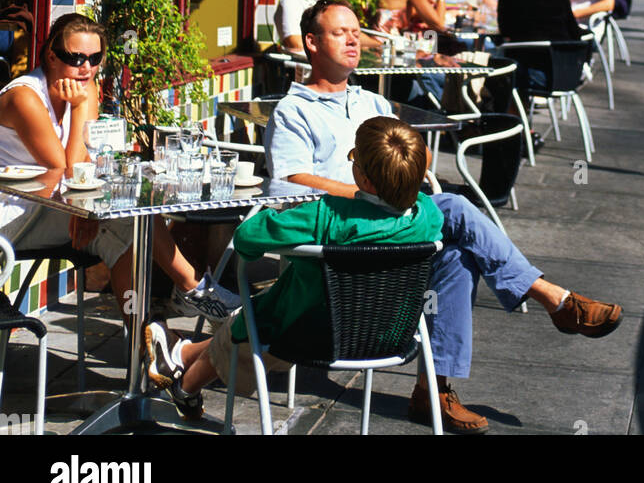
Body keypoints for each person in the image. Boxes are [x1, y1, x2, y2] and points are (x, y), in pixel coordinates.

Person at [264, 0, 623, 433]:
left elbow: (411, 159)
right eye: (340, 33)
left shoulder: (373, 103)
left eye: (357, 31)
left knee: (458, 257)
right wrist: (366, 194)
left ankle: (432, 391)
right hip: (339, 246)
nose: (354, 40)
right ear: (311, 43)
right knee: (454, 206)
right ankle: (551, 297)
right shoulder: (293, 110)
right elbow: (289, 185)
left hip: (392, 235)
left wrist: (407, 171)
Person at [142, 115, 442, 419]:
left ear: (364, 179)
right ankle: (179, 359)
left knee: (251, 324)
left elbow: (247, 238)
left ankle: (184, 387)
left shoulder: (328, 215)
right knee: (254, 321)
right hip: (389, 334)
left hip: (309, 333)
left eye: (355, 158)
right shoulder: (428, 214)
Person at [0, 13, 240, 322]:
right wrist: (77, 110)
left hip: (47, 210)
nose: (86, 67)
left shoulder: (84, 87)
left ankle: (147, 339)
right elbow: (64, 166)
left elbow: (83, 166)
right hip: (11, 219)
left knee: (129, 226)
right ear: (51, 55)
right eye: (75, 57)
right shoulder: (25, 98)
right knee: (128, 219)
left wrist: (89, 209)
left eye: (94, 57)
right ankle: (193, 291)